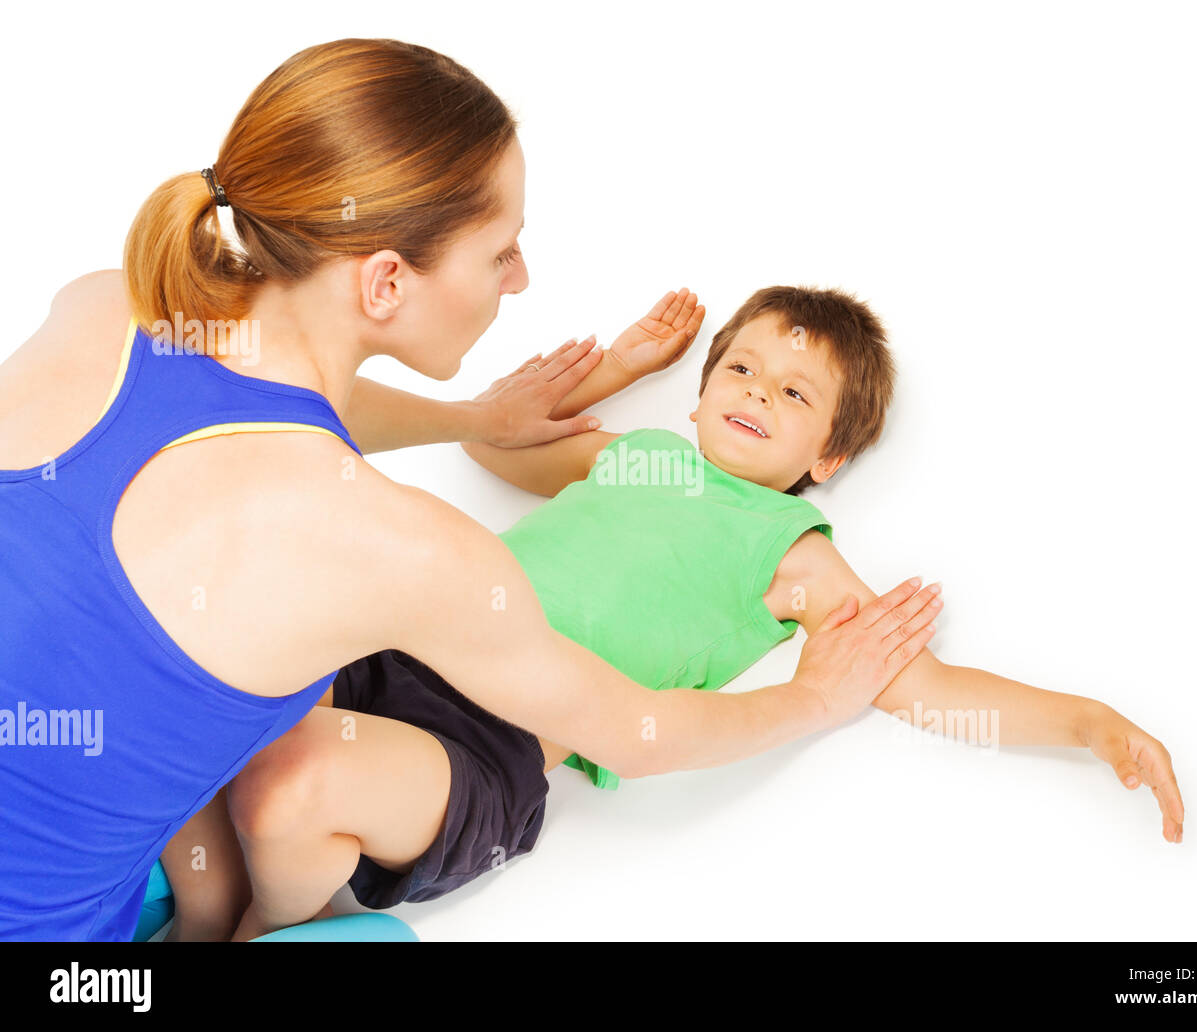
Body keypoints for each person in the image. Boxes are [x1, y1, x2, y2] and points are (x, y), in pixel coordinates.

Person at [0, 38, 933, 942]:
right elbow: (637, 736)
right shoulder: (399, 551)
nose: (520, 277)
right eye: (501, 252)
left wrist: (473, 422)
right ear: (386, 283)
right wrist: (817, 698)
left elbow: (258, 388)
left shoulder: (105, 303)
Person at [208, 285, 1183, 941]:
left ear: (828, 455)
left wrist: (1088, 724)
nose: (757, 392)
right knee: (209, 704)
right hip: (398, 650)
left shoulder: (790, 548)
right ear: (705, 388)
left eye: (794, 392)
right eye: (742, 370)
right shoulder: (635, 455)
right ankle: (190, 911)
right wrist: (621, 367)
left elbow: (915, 682)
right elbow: (496, 452)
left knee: (291, 785)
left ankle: (263, 930)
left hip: (492, 749)